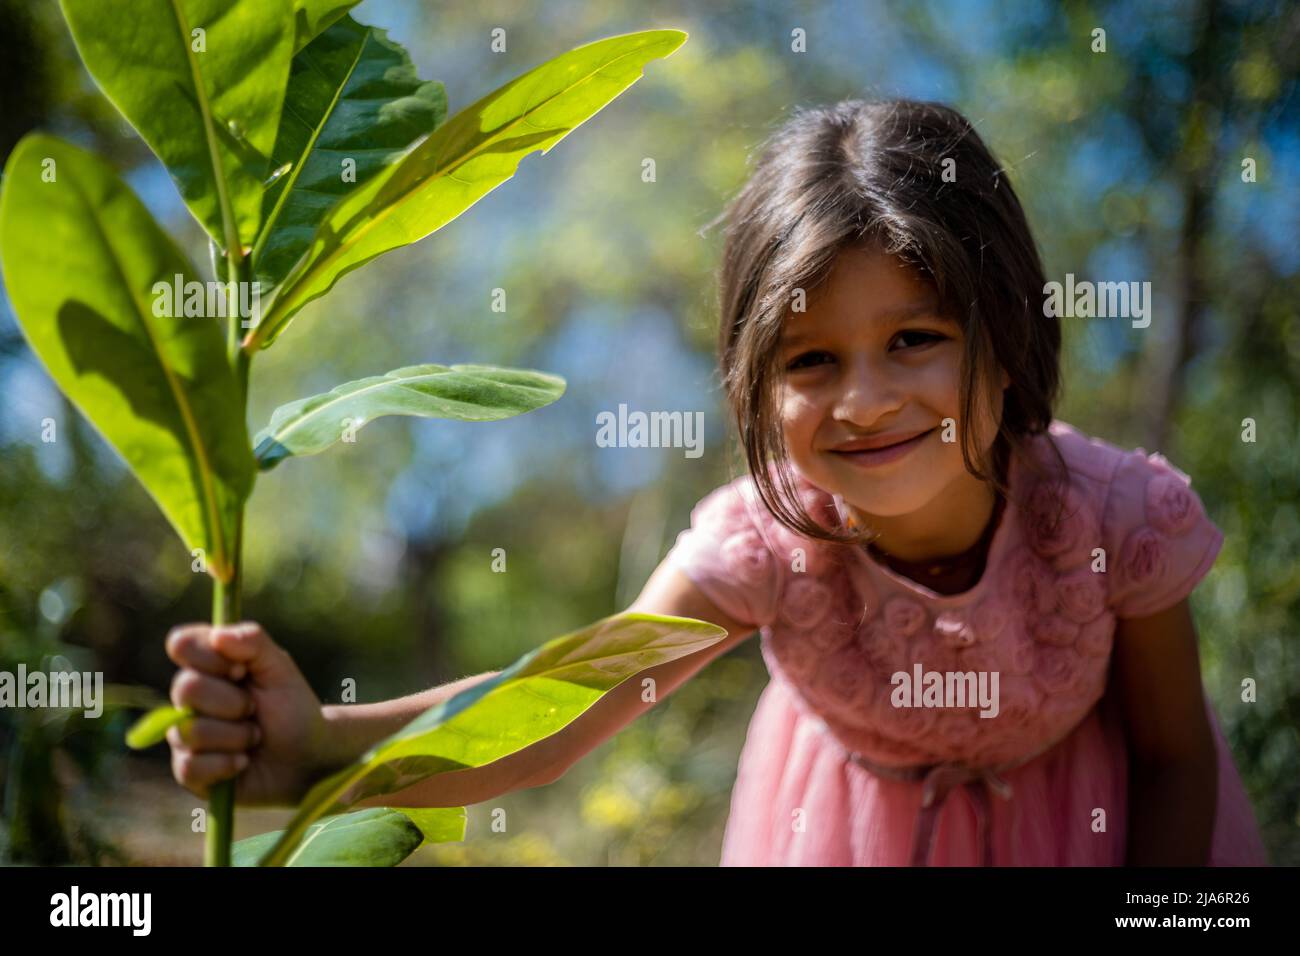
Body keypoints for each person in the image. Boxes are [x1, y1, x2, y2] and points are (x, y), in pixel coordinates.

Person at [164, 99, 1268, 866]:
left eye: (916, 338)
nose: (865, 399)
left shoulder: (1111, 518)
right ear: (754, 381)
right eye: (810, 360)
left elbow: (1174, 755)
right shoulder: (762, 548)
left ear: (1008, 333)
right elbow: (559, 706)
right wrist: (321, 742)